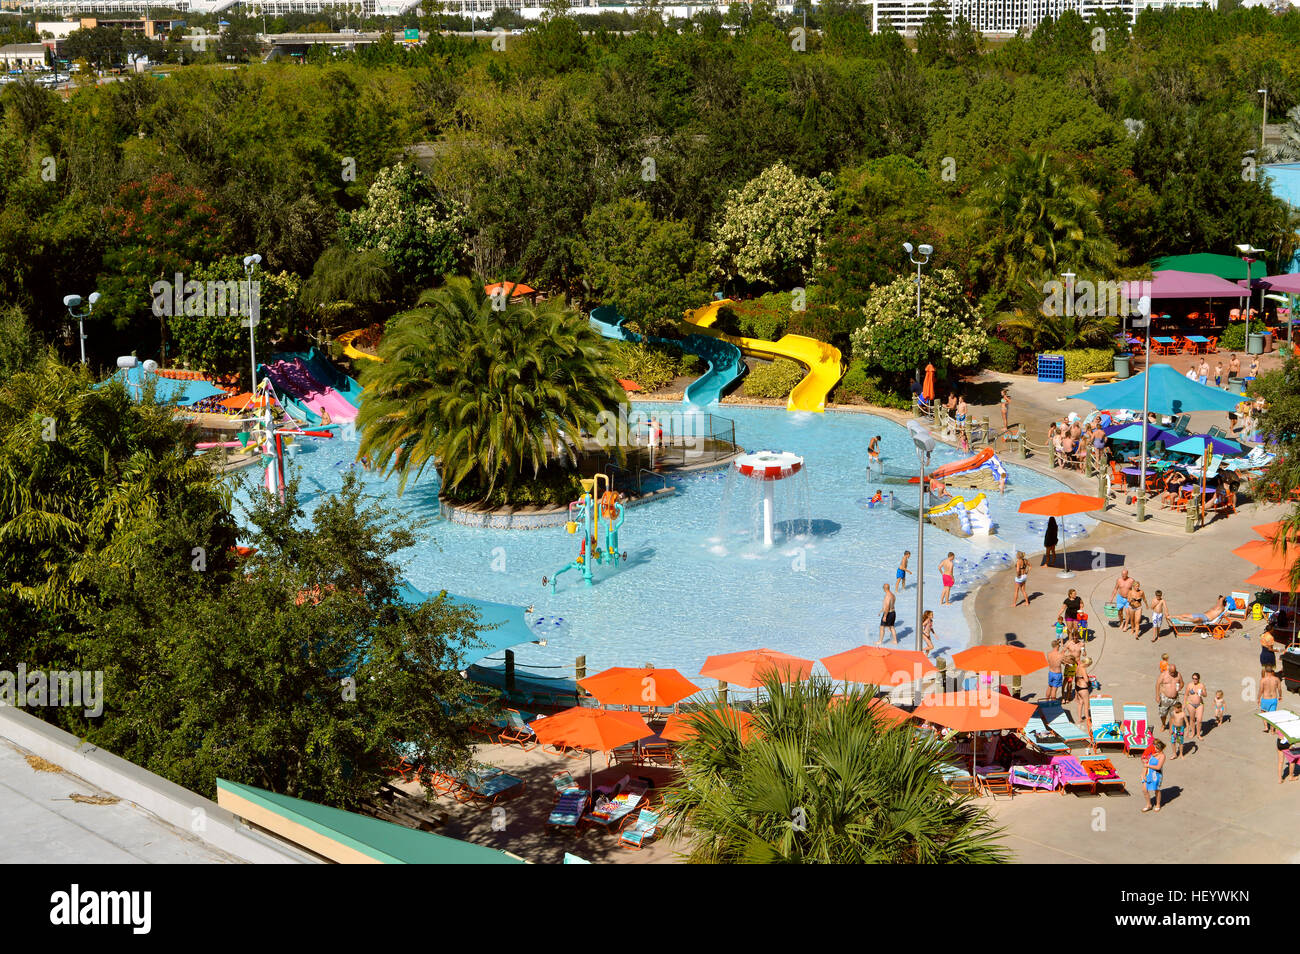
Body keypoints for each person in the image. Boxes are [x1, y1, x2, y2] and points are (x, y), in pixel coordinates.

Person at [1156, 663, 1185, 731]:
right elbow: (1157, 684)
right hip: (1165, 698)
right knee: (1163, 714)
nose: (1173, 674)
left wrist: (1180, 687)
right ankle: (1163, 724)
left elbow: (1182, 683)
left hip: (1175, 698)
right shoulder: (1163, 675)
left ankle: (1172, 727)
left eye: (1174, 672)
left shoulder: (1178, 675)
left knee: (1174, 714)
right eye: (1171, 672)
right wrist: (1157, 696)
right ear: (1169, 670)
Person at [1142, 740, 1167, 813]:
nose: (1155, 749)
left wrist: (1147, 765)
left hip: (1156, 775)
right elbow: (1147, 760)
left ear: (1160, 749)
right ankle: (1148, 804)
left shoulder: (1162, 756)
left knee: (1156, 790)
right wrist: (1143, 773)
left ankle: (1158, 804)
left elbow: (1158, 767)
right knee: (1144, 789)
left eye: (1156, 748)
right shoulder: (1154, 754)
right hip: (1148, 773)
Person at [1185, 672, 1207, 742]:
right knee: (1192, 719)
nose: (1194, 680)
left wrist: (1201, 692)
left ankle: (1198, 734)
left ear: (1198, 679)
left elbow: (1205, 695)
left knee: (1199, 720)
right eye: (1193, 678)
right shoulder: (1189, 685)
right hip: (1191, 704)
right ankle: (1193, 733)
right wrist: (1184, 704)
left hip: (1199, 704)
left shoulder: (1201, 685)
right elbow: (1186, 695)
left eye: (1196, 679)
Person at [1074, 655, 1093, 728]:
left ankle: (1079, 719)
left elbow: (1076, 677)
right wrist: (1089, 679)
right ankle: (1088, 719)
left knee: (1080, 703)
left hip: (1078, 686)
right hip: (1083, 688)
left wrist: (1075, 691)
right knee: (1086, 704)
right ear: (1087, 664)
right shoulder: (1083, 668)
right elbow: (1086, 680)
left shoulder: (1078, 666)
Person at [1046, 638, 1064, 703]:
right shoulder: (1060, 655)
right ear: (1057, 646)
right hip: (1057, 673)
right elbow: (1064, 662)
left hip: (1051, 672)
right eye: (1059, 645)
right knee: (1054, 689)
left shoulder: (1049, 654)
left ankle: (1046, 701)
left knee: (1049, 687)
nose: (1059, 647)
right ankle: (1053, 704)